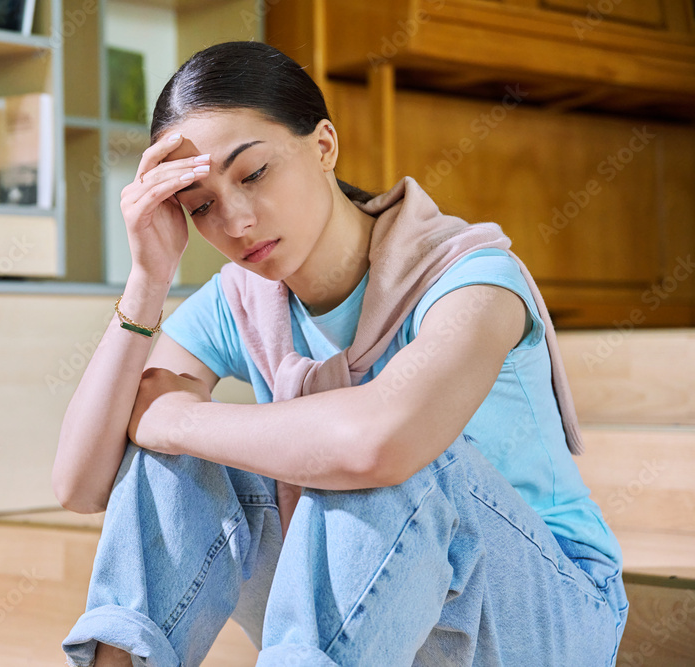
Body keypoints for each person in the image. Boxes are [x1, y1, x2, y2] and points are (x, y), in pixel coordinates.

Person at [52, 40, 629, 666]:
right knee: (170, 464)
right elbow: (81, 484)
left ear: (323, 145)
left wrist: (180, 418)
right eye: (201, 207)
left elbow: (376, 447)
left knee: (383, 454)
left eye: (253, 174)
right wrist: (147, 280)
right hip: (381, 614)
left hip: (546, 616)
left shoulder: (473, 279)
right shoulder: (243, 300)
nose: (236, 221)